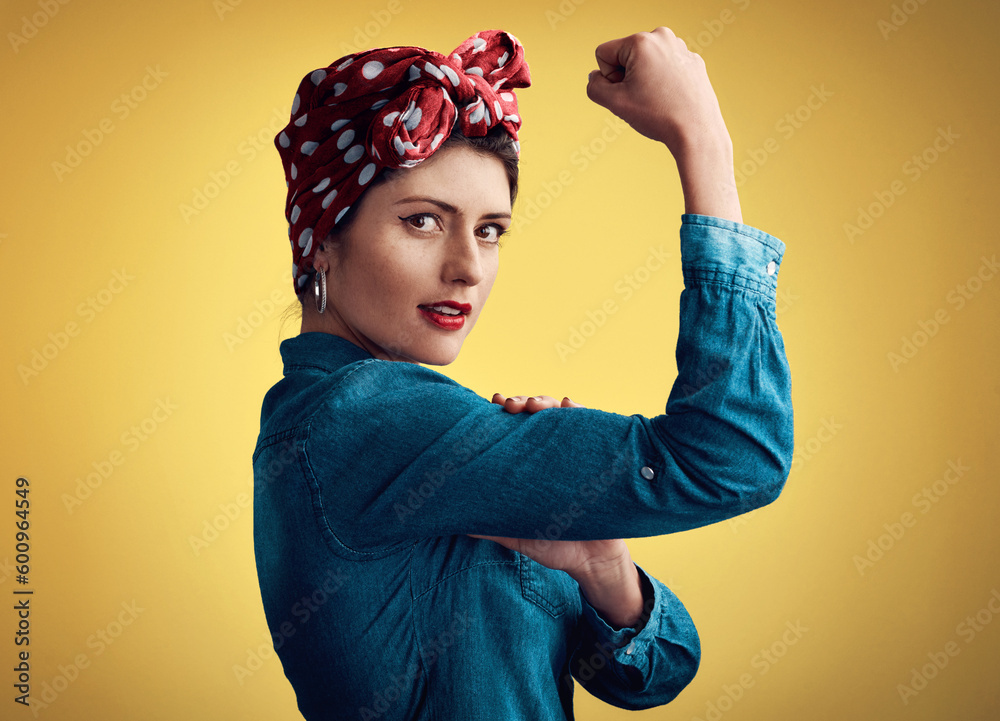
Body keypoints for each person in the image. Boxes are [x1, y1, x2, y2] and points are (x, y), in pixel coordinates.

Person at [253, 27, 792, 720]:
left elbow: (654, 672)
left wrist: (601, 566)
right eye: (423, 220)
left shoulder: (421, 433)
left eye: (489, 230)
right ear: (321, 241)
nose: (468, 267)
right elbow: (735, 454)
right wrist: (704, 143)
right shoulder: (361, 418)